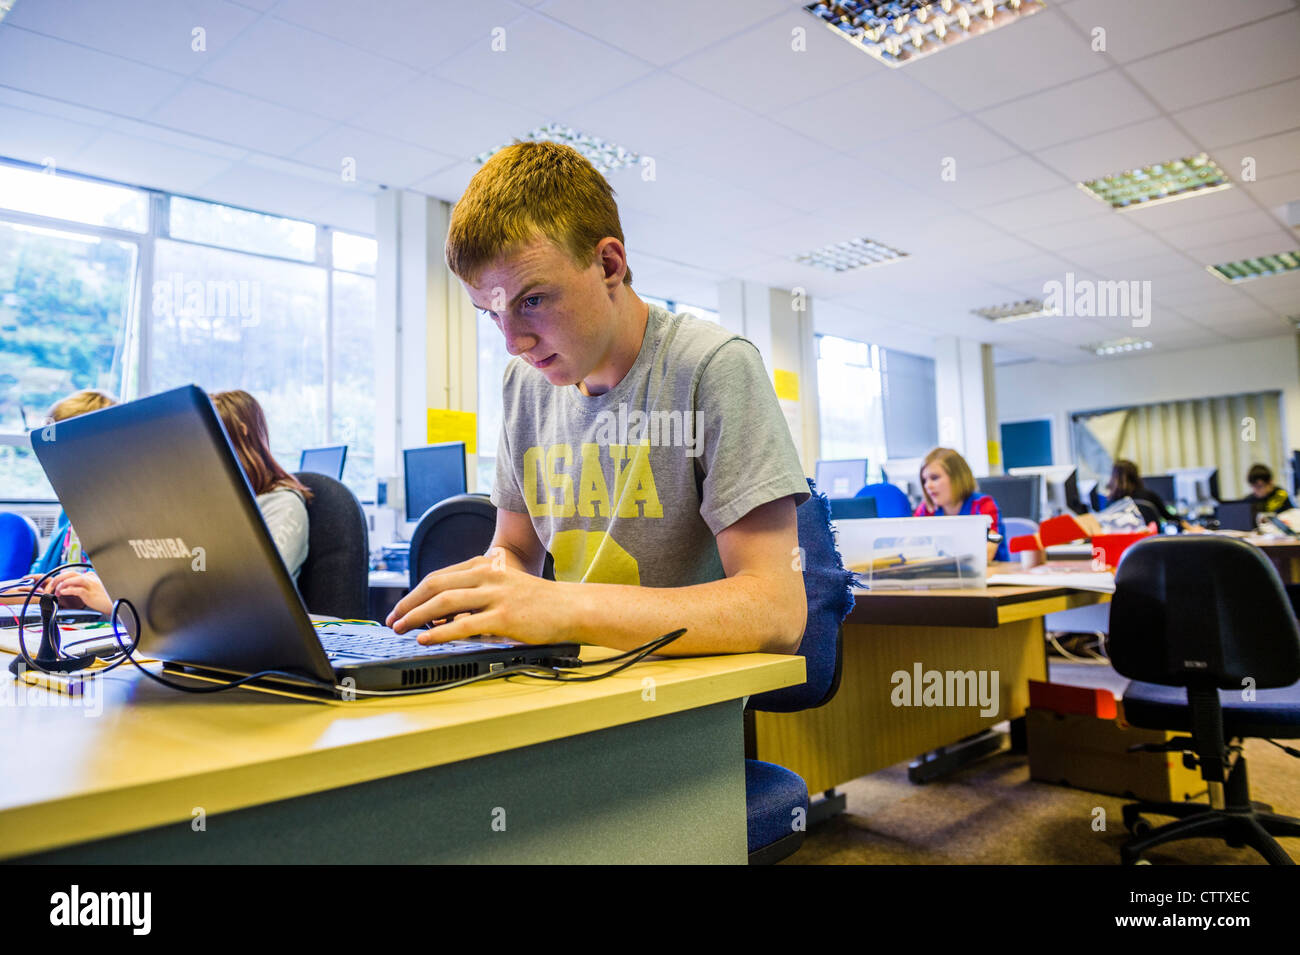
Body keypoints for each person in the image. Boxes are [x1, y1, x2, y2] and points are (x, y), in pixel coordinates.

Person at [387, 140, 809, 655]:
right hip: (570, 678)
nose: (512, 342)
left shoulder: (712, 366)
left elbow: (776, 610)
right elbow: (516, 551)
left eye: (533, 301)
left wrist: (564, 610)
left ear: (608, 265)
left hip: (686, 702)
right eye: (491, 313)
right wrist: (484, 592)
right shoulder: (524, 385)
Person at [39, 388, 312, 614]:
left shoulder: (282, 506)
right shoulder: (204, 508)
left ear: (239, 434)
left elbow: (249, 599)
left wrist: (119, 604)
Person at [913, 448, 1009, 563]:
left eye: (934, 478)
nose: (927, 485)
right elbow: (910, 546)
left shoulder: (983, 505)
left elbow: (992, 544)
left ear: (956, 478)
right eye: (924, 480)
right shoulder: (926, 510)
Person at [1106, 459, 1175, 525]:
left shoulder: (1112, 502)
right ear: (1136, 476)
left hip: (1122, 536)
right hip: (1151, 537)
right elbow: (1169, 517)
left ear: (1113, 478)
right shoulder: (1150, 496)